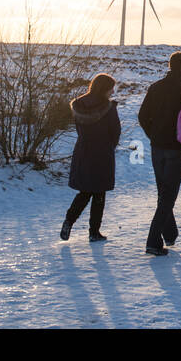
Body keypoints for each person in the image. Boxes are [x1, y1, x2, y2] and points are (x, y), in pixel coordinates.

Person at [137, 51, 181, 256]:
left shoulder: (155, 87)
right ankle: (153, 241)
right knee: (169, 194)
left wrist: (153, 135)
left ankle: (170, 233)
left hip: (157, 147)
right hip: (177, 146)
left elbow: (142, 115)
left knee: (163, 190)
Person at [61, 73, 121, 242]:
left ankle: (69, 221)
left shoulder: (78, 104)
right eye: (111, 88)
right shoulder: (108, 107)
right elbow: (115, 132)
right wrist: (109, 146)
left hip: (83, 150)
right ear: (105, 88)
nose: (112, 91)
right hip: (102, 153)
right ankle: (94, 231)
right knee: (99, 194)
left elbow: (78, 128)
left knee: (85, 191)